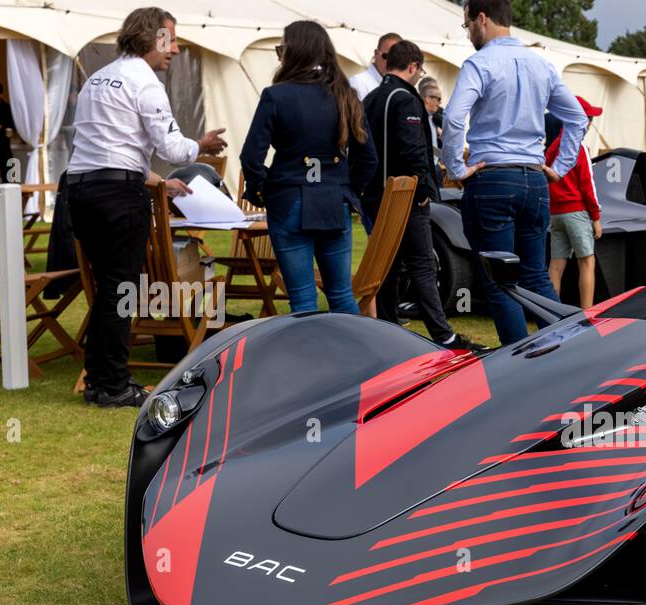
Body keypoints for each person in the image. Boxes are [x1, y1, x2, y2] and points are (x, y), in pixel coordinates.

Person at [66, 7, 227, 408]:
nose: (174, 49)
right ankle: (115, 385)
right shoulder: (145, 83)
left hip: (81, 190)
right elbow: (171, 148)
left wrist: (156, 180)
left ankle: (100, 382)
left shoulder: (96, 79)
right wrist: (201, 146)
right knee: (122, 288)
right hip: (119, 196)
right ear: (150, 39)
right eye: (169, 40)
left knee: (108, 289)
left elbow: (102, 147)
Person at [441, 0, 588, 345]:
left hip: (492, 178)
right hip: (534, 179)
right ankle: (571, 349)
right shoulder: (542, 65)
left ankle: (520, 364)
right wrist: (560, 167)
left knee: (499, 282)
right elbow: (577, 118)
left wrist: (457, 168)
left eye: (467, 26)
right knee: (536, 276)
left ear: (482, 18)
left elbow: (452, 118)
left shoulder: (479, 63)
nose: (469, 34)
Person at [241, 20, 377, 314]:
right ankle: (357, 358)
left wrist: (261, 192)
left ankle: (311, 360)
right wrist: (348, 191)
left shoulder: (276, 95)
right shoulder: (345, 95)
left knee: (303, 302)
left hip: (290, 201)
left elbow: (251, 158)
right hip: (333, 202)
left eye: (281, 49)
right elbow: (369, 159)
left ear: (294, 53)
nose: (280, 56)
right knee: (342, 295)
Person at [361, 41, 476, 349]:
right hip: (404, 197)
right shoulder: (405, 99)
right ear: (412, 67)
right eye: (420, 70)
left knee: (388, 265)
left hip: (375, 197)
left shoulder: (371, 98)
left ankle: (387, 329)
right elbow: (413, 151)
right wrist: (424, 190)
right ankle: (443, 334)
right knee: (422, 264)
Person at [546, 96, 603, 309]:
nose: (590, 123)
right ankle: (587, 313)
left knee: (555, 267)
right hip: (577, 212)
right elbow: (588, 186)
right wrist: (596, 217)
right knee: (587, 262)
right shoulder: (579, 148)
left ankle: (551, 312)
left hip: (556, 212)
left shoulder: (553, 146)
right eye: (589, 118)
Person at [349, 32, 401, 101]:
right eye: (386, 56)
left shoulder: (398, 86)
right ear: (376, 53)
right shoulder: (358, 82)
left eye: (396, 58)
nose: (391, 62)